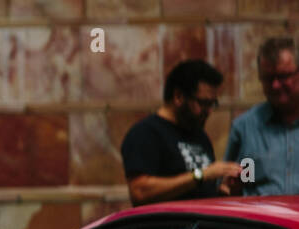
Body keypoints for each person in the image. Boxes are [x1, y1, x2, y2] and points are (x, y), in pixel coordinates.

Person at [120, 59, 242, 205]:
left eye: (212, 104)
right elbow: (140, 191)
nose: (209, 111)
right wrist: (201, 175)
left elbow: (196, 192)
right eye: (203, 103)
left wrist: (222, 192)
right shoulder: (145, 133)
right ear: (178, 96)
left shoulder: (199, 136)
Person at [223, 37, 299, 196]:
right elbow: (237, 183)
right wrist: (232, 186)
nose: (275, 85)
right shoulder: (246, 128)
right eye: (268, 78)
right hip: (259, 218)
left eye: (283, 76)